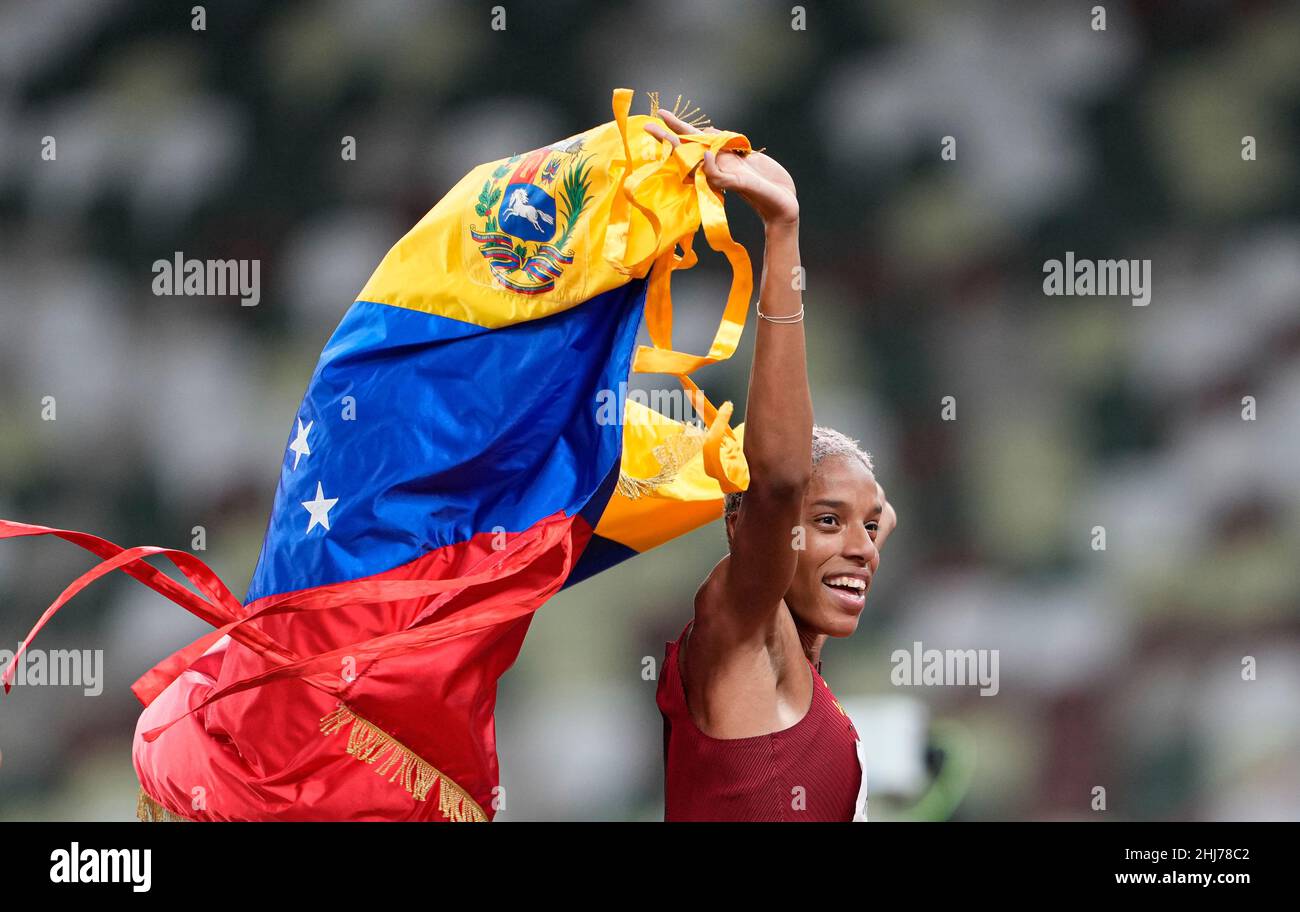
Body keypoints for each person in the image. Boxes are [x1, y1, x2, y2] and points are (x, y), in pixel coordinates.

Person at [644, 109, 897, 822]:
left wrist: (847, 505)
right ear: (744, 523)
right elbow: (781, 481)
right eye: (826, 522)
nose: (863, 548)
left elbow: (850, 508)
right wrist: (781, 235)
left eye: (870, 528)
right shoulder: (736, 631)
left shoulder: (801, 661)